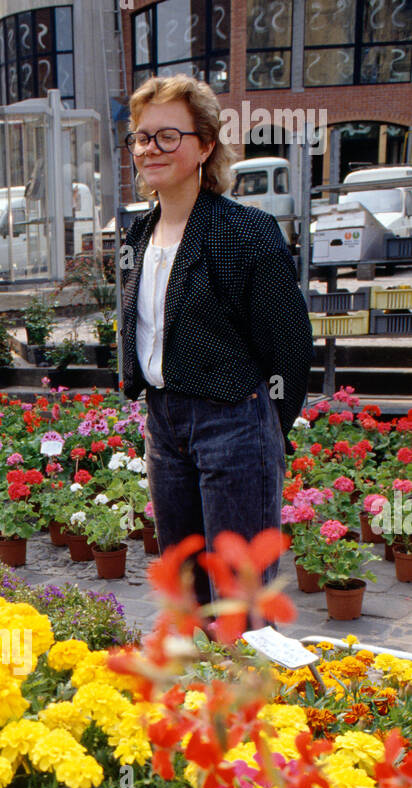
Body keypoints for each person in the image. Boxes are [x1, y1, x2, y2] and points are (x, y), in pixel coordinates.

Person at [120, 75, 314, 609]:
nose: (148, 149)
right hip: (164, 422)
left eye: (167, 136)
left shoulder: (246, 232)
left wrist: (266, 426)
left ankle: (245, 686)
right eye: (140, 136)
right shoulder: (137, 236)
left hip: (234, 418)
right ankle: (197, 691)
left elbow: (290, 346)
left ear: (205, 145)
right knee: (186, 589)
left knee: (239, 592)